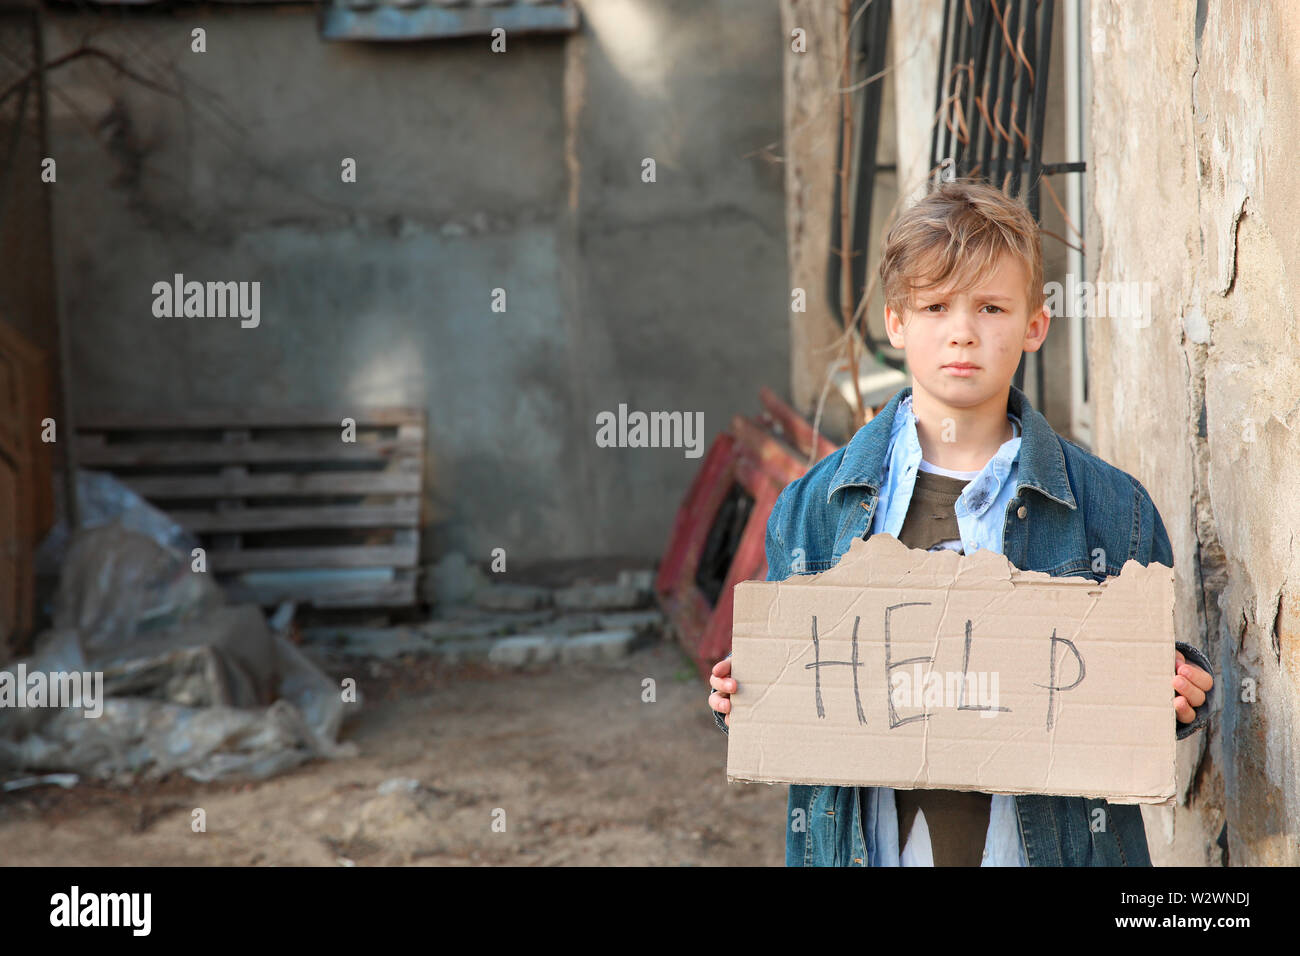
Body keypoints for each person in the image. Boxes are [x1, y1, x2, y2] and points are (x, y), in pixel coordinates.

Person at [707, 179, 1214, 867]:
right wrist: (741, 691)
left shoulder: (1112, 508)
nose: (962, 332)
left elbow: (1136, 690)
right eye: (936, 305)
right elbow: (789, 681)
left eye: (991, 307)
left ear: (1035, 324)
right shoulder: (812, 506)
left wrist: (1176, 694)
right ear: (895, 323)